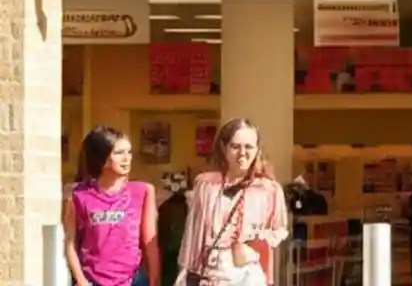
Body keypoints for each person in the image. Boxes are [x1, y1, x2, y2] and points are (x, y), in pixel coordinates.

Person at [177, 118, 290, 286]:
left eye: (249, 147)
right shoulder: (207, 185)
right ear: (224, 148)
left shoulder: (269, 190)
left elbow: (279, 230)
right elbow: (193, 232)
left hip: (249, 273)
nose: (242, 153)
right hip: (212, 273)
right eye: (235, 146)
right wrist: (185, 273)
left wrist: (253, 243)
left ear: (258, 149)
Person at [64, 126, 160, 286]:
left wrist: (154, 279)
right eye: (118, 153)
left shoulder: (142, 191)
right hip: (92, 280)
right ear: (101, 158)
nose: (126, 158)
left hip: (132, 281)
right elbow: (70, 244)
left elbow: (150, 242)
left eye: (129, 152)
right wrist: (80, 280)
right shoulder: (78, 197)